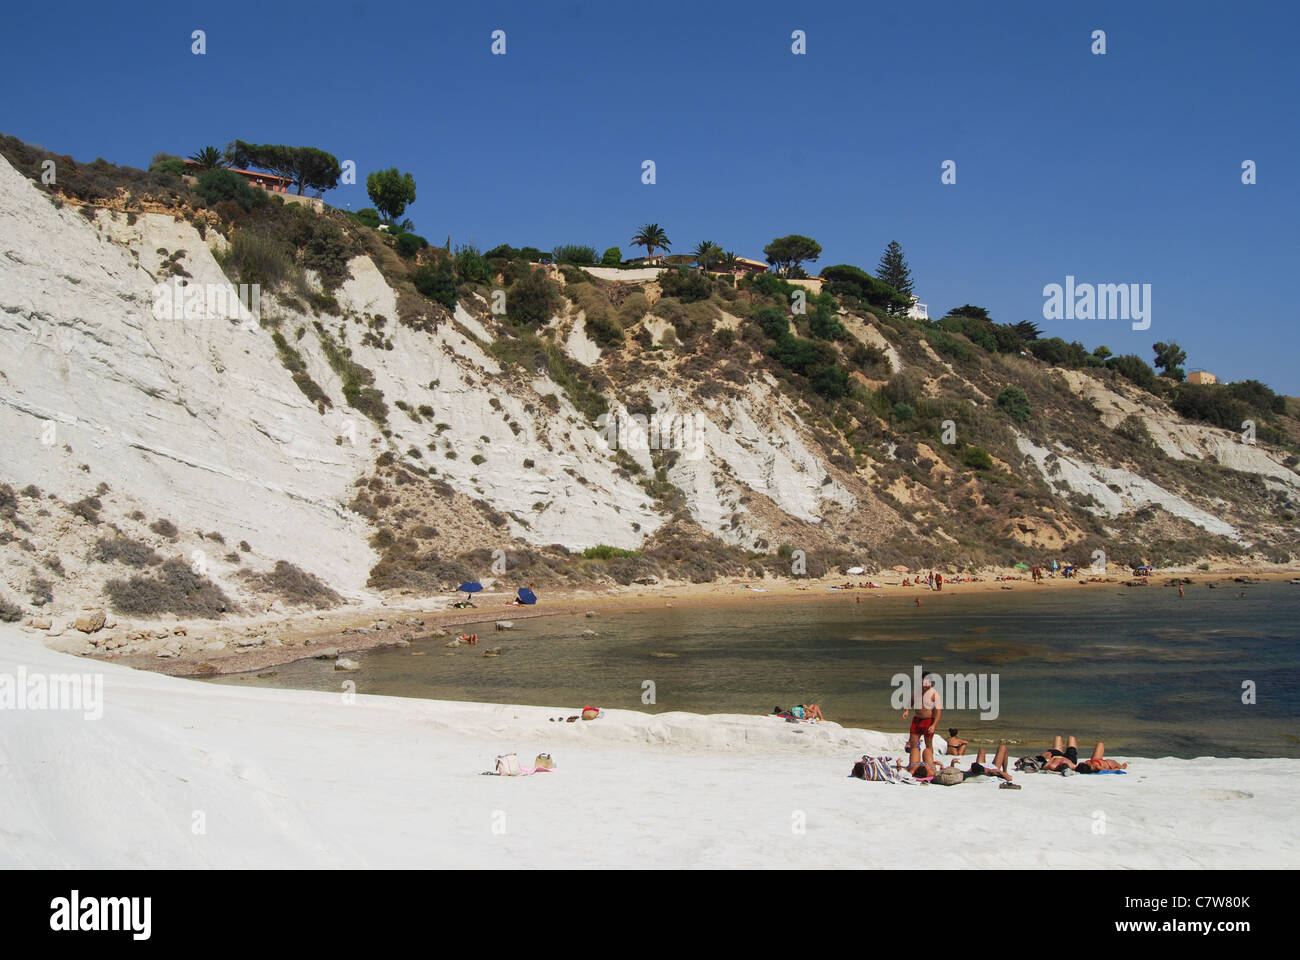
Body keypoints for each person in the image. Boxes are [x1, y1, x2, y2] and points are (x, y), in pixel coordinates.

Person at [902, 673, 942, 752]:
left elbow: (939, 712)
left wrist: (934, 725)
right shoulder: (918, 690)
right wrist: (906, 710)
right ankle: (913, 762)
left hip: (928, 721)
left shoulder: (935, 694)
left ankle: (929, 763)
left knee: (928, 744)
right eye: (923, 682)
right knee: (912, 743)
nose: (924, 685)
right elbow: (911, 701)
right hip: (916, 720)